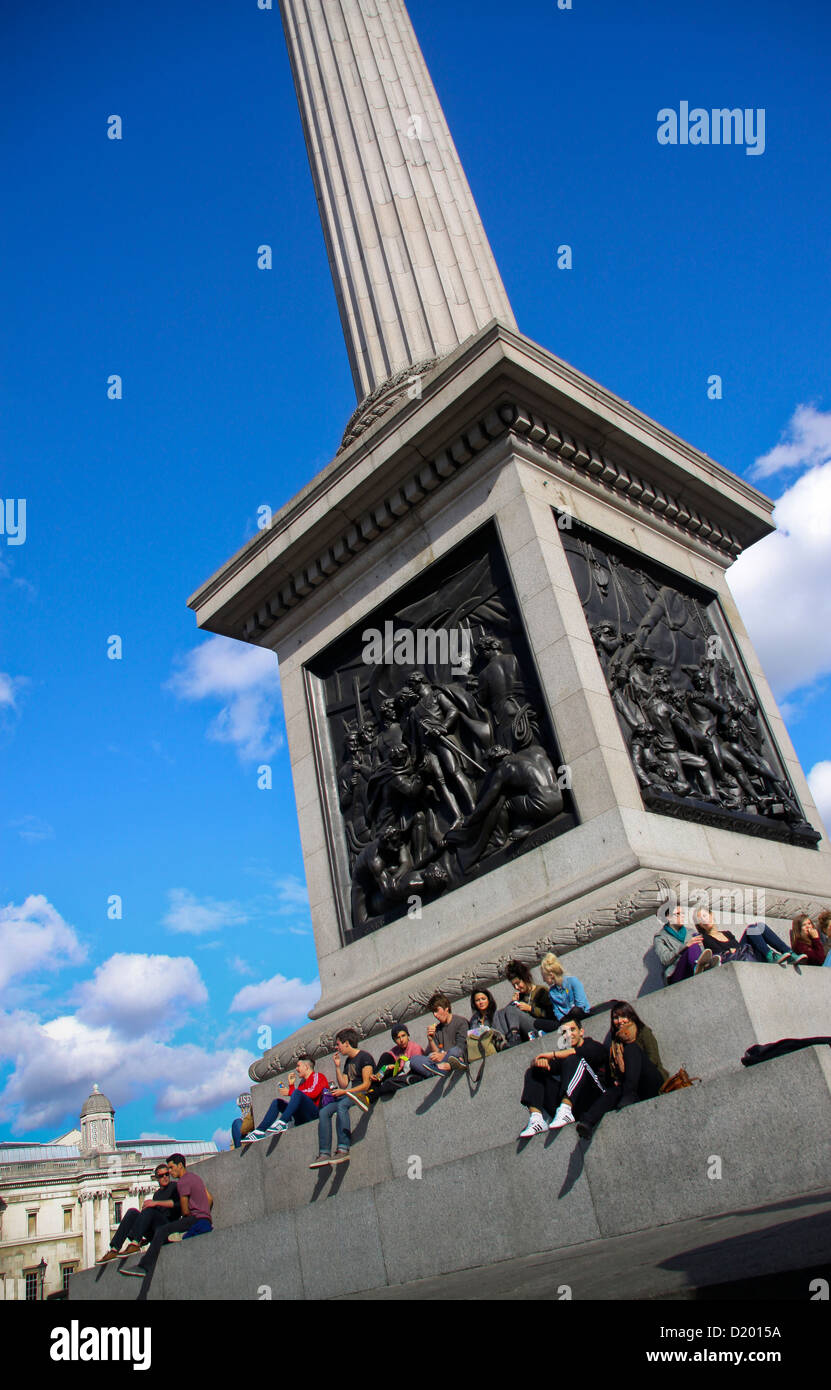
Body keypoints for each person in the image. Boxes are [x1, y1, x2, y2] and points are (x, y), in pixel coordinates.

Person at [574, 1002, 668, 1139]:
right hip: (632, 1086)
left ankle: (628, 1093)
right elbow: (614, 1070)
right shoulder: (615, 1042)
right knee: (612, 1092)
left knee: (631, 1048)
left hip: (652, 1080)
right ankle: (587, 1122)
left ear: (631, 1016)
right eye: (616, 1018)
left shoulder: (642, 1031)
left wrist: (632, 1071)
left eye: (623, 1016)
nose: (619, 1021)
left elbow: (653, 1059)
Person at [120, 1154, 212, 1280]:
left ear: (180, 1166)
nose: (169, 1171)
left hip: (195, 1218)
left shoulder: (182, 1182)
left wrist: (192, 1215)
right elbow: (210, 1199)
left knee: (163, 1229)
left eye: (171, 1167)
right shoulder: (195, 1178)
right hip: (204, 1218)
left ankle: (144, 1266)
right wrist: (205, 1212)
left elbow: (185, 1211)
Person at [516, 1014, 608, 1137]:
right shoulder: (564, 1057)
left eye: (572, 1030)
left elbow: (581, 1053)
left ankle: (566, 1107)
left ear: (581, 1031)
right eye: (565, 1032)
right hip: (574, 1106)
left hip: (594, 1098)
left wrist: (552, 1054)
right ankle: (536, 1118)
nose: (569, 1034)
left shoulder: (594, 1046)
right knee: (534, 1071)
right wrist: (539, 1062)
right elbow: (551, 1065)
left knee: (574, 1059)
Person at [309, 1029, 374, 1168]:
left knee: (341, 1106)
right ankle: (324, 1153)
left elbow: (366, 1085)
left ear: (346, 1043)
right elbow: (343, 1083)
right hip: (349, 1094)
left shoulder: (364, 1057)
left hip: (361, 1094)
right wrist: (337, 1067)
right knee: (324, 1112)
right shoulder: (348, 1061)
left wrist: (346, 1092)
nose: (337, 1047)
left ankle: (343, 1148)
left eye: (338, 1044)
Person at [96, 1164, 180, 1263]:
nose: (165, 1177)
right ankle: (114, 1249)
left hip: (168, 1226)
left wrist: (155, 1203)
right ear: (157, 1178)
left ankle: (135, 1243)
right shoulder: (157, 1194)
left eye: (167, 1174)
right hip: (156, 1229)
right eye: (161, 1175)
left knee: (149, 1209)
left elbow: (179, 1204)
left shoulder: (174, 1187)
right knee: (132, 1212)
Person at [242, 1057, 332, 1141]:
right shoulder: (302, 1084)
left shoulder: (318, 1076)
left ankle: (282, 1122)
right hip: (301, 1118)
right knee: (277, 1102)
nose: (296, 1069)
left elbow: (313, 1092)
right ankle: (260, 1131)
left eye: (298, 1066)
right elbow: (296, 1099)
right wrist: (291, 1085)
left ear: (306, 1066)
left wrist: (290, 1092)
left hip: (315, 1114)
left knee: (297, 1093)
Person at [694, 906, 797, 965]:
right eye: (700, 919)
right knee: (750, 929)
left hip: (745, 954)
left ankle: (789, 953)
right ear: (700, 925)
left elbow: (738, 948)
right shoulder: (705, 938)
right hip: (738, 960)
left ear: (711, 915)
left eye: (705, 915)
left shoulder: (727, 933)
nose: (704, 919)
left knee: (758, 926)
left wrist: (733, 949)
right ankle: (770, 955)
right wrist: (731, 950)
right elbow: (720, 954)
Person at [408, 994, 469, 1078]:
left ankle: (436, 1070)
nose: (435, 1015)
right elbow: (436, 1052)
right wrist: (431, 1040)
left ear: (446, 1008)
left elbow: (461, 1047)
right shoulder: (437, 1029)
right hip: (441, 1062)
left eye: (437, 1010)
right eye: (433, 1012)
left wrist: (443, 1055)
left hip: (455, 1057)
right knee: (414, 1060)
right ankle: (439, 1070)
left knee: (454, 1051)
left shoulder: (460, 1022)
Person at [497, 960, 558, 1044]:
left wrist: (530, 1009)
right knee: (500, 1013)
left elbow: (550, 1014)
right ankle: (506, 1039)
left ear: (525, 978)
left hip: (540, 1026)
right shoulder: (520, 996)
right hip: (525, 1030)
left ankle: (514, 1037)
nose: (516, 987)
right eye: (513, 985)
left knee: (510, 1010)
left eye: (518, 983)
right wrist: (513, 1002)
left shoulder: (541, 991)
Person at [652, 902, 708, 983]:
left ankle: (703, 965)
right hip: (676, 973)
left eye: (682, 913)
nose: (681, 916)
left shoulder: (691, 932)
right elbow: (665, 959)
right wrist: (685, 946)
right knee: (692, 946)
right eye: (678, 914)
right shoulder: (660, 937)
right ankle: (699, 967)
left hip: (694, 965)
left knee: (695, 943)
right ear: (668, 917)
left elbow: (703, 951)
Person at [367, 1024, 424, 1099]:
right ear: (394, 1040)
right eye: (398, 1038)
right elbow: (385, 1065)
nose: (401, 1040)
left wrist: (398, 1068)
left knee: (387, 1084)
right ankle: (374, 1083)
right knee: (386, 1056)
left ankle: (371, 1094)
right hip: (397, 1075)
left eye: (403, 1036)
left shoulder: (415, 1048)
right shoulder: (394, 1051)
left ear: (408, 1036)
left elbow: (416, 1067)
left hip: (411, 1075)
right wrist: (383, 1071)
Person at [539, 952, 590, 1021]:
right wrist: (562, 1019)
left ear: (551, 975)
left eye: (544, 976)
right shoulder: (552, 992)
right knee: (539, 1023)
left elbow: (581, 1004)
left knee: (575, 1011)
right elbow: (557, 1012)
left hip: (580, 1013)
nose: (543, 980)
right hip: (566, 1019)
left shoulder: (573, 981)